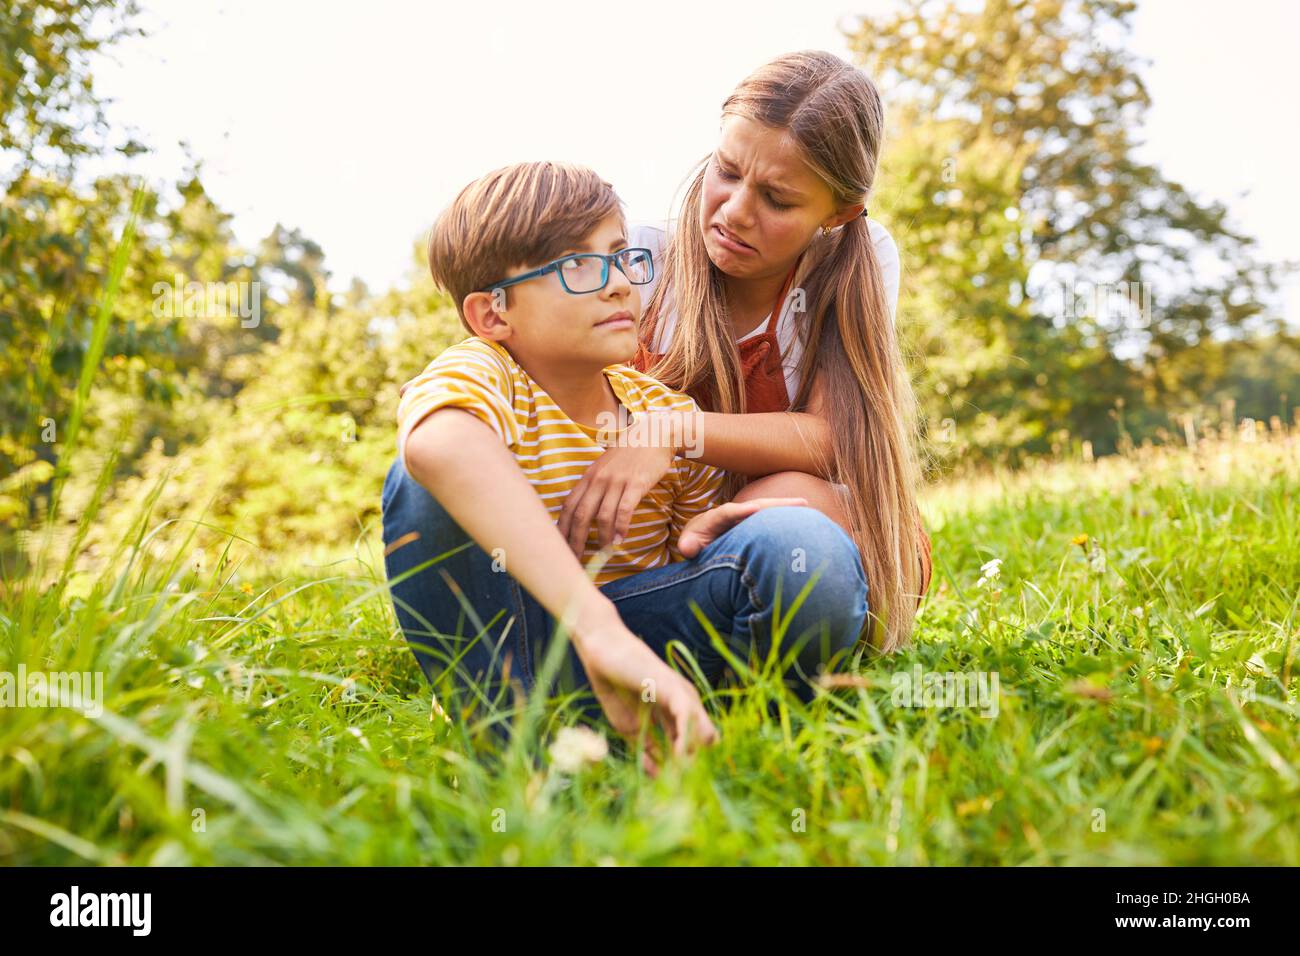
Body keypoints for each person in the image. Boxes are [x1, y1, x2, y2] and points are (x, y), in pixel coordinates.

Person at [381, 161, 871, 770]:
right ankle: (510, 741)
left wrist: (720, 537)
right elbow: (436, 446)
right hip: (515, 650)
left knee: (801, 544)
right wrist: (597, 631)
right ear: (493, 315)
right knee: (423, 474)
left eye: (620, 257)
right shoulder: (485, 373)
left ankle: (708, 726)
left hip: (640, 650)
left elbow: (685, 567)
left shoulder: (663, 414)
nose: (617, 284)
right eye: (577, 266)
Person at [552, 50, 932, 654]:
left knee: (797, 517)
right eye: (726, 171)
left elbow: (834, 436)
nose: (734, 213)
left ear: (840, 212)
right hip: (650, 543)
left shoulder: (855, 264)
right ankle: (653, 636)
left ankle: (618, 644)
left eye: (778, 200)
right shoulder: (643, 258)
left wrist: (672, 429)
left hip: (780, 534)